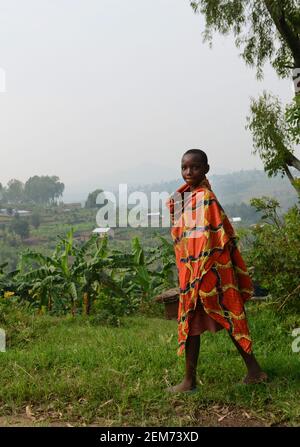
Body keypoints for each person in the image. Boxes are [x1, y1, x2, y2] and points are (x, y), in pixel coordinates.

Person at [165, 149, 267, 393]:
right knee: (192, 324)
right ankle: (190, 380)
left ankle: (254, 371)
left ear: (206, 169)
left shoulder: (205, 199)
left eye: (195, 167)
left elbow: (218, 236)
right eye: (184, 167)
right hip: (194, 273)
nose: (189, 172)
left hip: (211, 272)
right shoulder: (187, 198)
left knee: (229, 318)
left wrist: (201, 264)